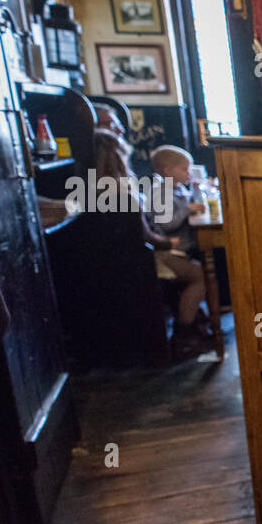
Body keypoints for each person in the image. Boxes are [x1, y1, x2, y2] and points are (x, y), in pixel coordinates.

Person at [94, 132, 208, 357]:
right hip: (144, 260)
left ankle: (194, 322)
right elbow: (149, 235)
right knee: (199, 274)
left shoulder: (102, 189)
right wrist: (167, 242)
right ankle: (184, 333)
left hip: (123, 259)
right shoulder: (126, 193)